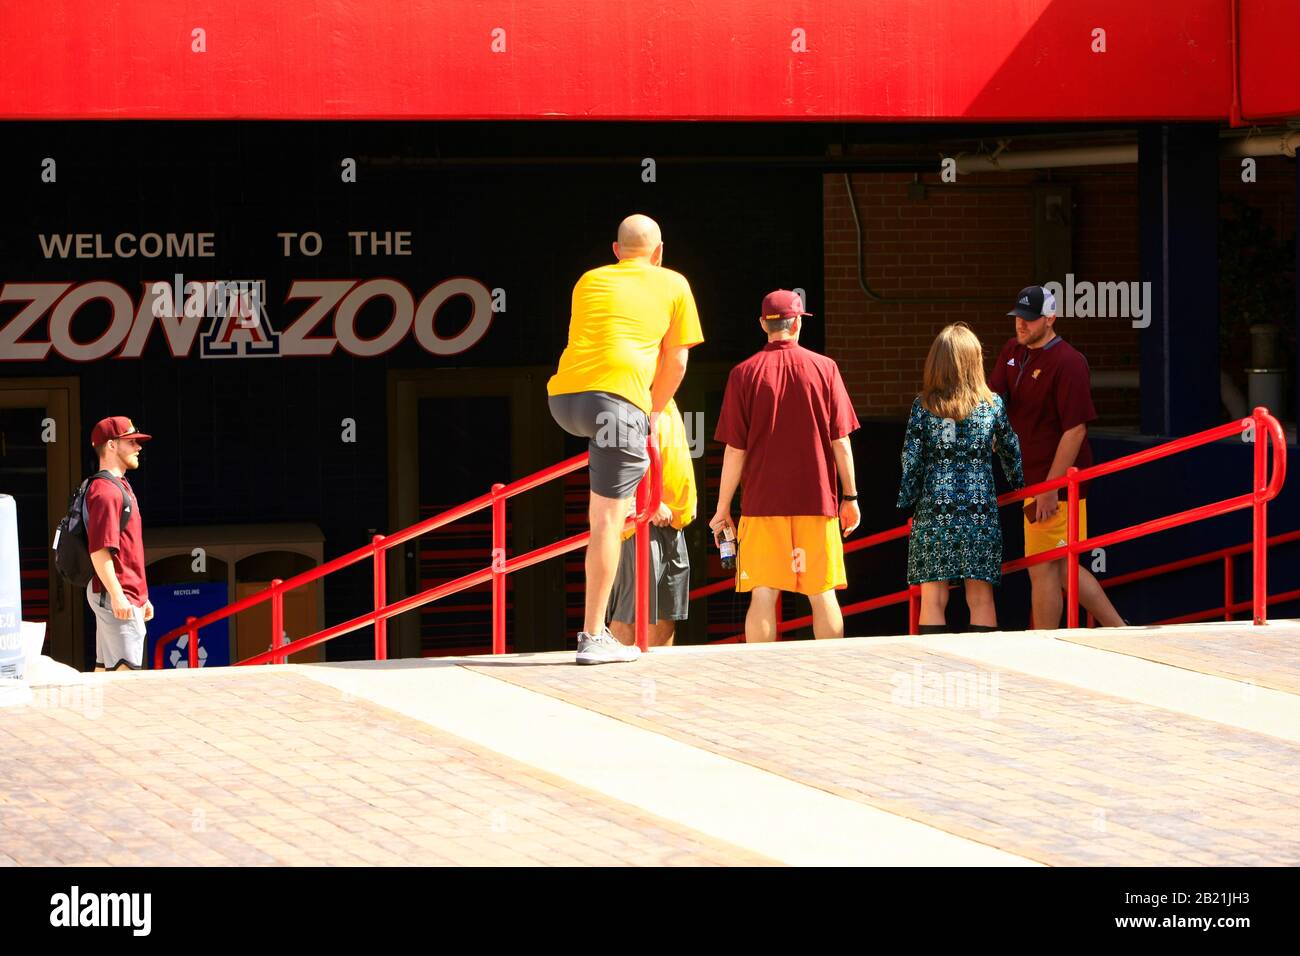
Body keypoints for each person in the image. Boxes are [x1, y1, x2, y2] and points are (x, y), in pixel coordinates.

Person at [547, 214, 704, 664]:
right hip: (617, 401)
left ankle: (599, 631)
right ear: (659, 252)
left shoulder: (588, 280)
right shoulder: (674, 283)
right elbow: (677, 362)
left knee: (606, 507)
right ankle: (593, 636)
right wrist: (651, 412)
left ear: (615, 251)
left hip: (564, 400)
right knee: (607, 524)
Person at [710, 290, 860, 642]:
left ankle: (760, 678)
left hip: (762, 505)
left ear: (764, 324)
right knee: (822, 592)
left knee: (763, 593)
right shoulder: (825, 369)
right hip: (816, 501)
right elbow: (841, 441)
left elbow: (735, 449)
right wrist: (850, 496)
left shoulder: (743, 373)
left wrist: (722, 508)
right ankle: (832, 676)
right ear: (797, 324)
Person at [988, 285, 1125, 629]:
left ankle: (1049, 641)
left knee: (1047, 565)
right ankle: (1119, 630)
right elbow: (994, 399)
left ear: (1051, 318)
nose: (1021, 324)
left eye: (1030, 319)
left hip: (1056, 480)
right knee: (1057, 566)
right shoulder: (1012, 351)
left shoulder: (1069, 361)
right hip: (1029, 478)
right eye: (1018, 317)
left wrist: (1051, 487)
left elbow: (1075, 429)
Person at [897, 324, 1024, 633]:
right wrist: (1018, 483)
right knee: (981, 597)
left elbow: (911, 461)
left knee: (933, 598)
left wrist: (908, 500)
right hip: (980, 512)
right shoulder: (992, 406)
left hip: (934, 511)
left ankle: (932, 670)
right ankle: (982, 671)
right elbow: (1011, 450)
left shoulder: (923, 407)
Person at [607, 399, 696, 647]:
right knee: (631, 611)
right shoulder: (632, 397)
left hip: (672, 520)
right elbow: (620, 457)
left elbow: (674, 455)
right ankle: (615, 681)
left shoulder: (667, 401)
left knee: (666, 613)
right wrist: (648, 500)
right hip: (641, 519)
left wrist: (689, 499)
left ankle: (658, 679)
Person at [85, 416, 154, 670]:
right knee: (125, 682)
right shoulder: (106, 492)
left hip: (122, 595)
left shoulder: (118, 486)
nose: (138, 446)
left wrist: (140, 597)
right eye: (131, 441)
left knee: (105, 674)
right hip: (117, 596)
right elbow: (99, 550)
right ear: (111, 445)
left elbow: (126, 549)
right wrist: (119, 596)